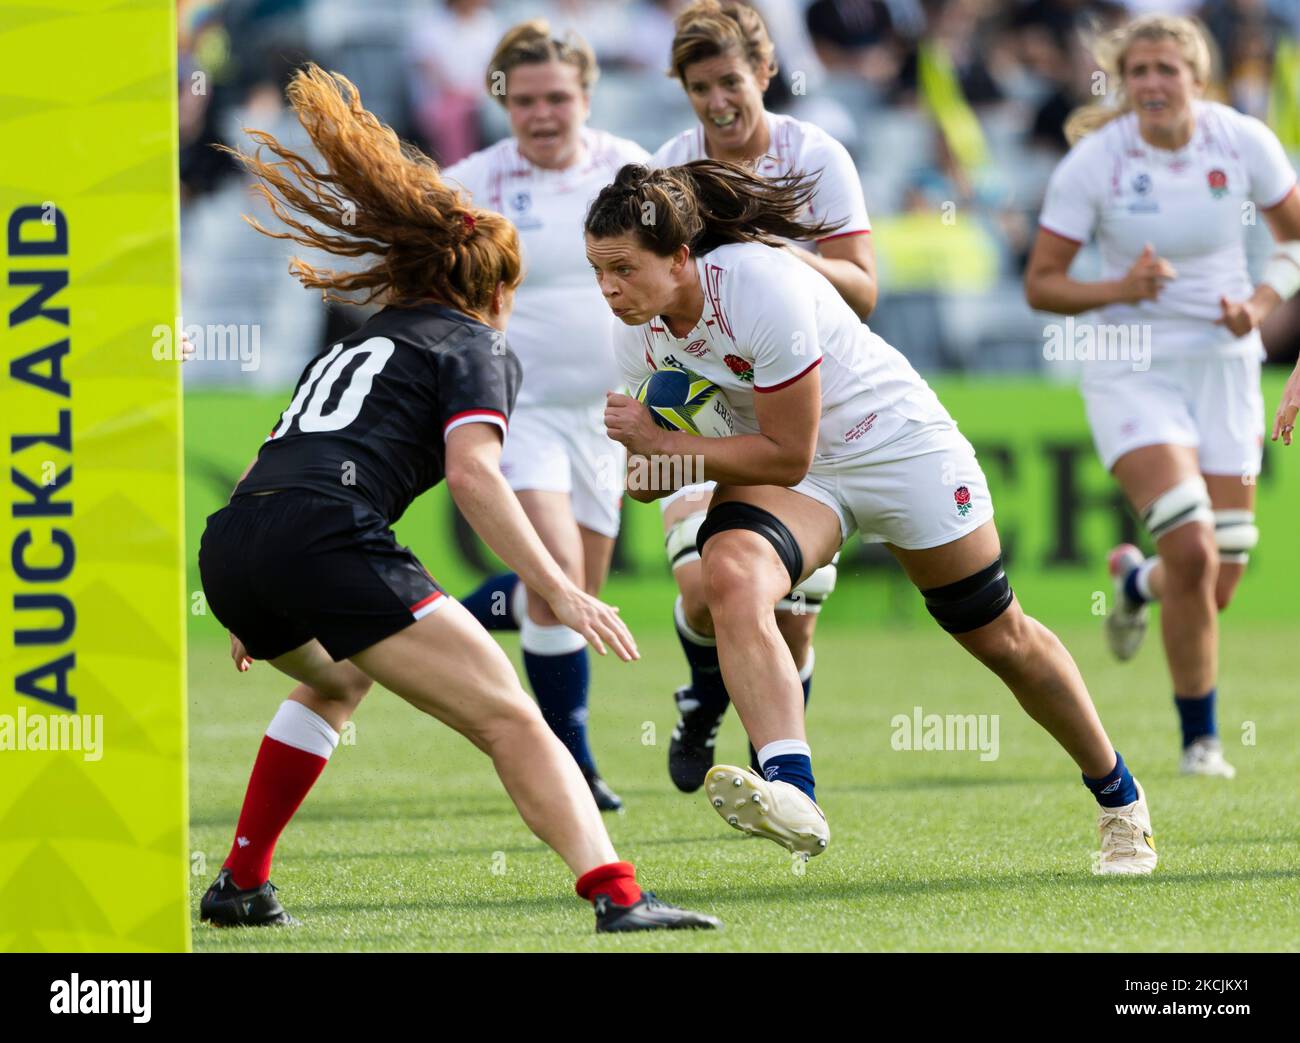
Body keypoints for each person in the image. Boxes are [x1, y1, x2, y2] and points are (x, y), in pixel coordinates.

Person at [196, 64, 718, 934]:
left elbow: (263, 464)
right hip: (326, 536)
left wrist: (255, 594)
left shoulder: (361, 341)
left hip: (237, 540)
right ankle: (619, 895)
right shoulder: (474, 343)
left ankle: (242, 883)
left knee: (338, 681)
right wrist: (559, 585)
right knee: (512, 717)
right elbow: (476, 475)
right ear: (497, 288)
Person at [587, 160, 1159, 875]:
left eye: (621, 269)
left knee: (999, 635)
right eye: (597, 271)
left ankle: (1119, 798)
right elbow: (654, 476)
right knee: (731, 575)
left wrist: (665, 444)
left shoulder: (758, 286)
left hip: (894, 445)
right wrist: (647, 466)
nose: (608, 289)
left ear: (678, 258)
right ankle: (794, 791)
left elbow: (786, 451)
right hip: (800, 476)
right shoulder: (635, 336)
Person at [1023, 14, 1300, 778]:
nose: (1150, 83)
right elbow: (1041, 283)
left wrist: (1264, 302)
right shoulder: (1096, 162)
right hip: (1130, 364)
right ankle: (1200, 741)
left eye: (1165, 70)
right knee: (1192, 544)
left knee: (1220, 573)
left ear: (1196, 78)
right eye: (1137, 70)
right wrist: (1122, 287)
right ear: (1122, 80)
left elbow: (1295, 239)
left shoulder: (1242, 141)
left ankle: (1134, 582)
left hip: (1224, 362)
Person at [649, 0, 877, 792]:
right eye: (700, 86)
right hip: (701, 389)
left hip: (802, 397)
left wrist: (781, 259)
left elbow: (864, 291)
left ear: (766, 72)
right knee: (704, 583)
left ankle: (769, 749)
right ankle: (709, 695)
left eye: (731, 81)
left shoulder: (816, 158)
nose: (718, 101)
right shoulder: (669, 171)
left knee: (793, 615)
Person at [446, 22, 651, 812]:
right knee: (559, 580)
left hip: (609, 415)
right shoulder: (471, 182)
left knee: (572, 596)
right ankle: (572, 758)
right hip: (518, 408)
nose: (541, 113)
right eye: (523, 99)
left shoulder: (628, 168)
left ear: (585, 97)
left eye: (557, 97)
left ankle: (411, 624)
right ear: (502, 103)